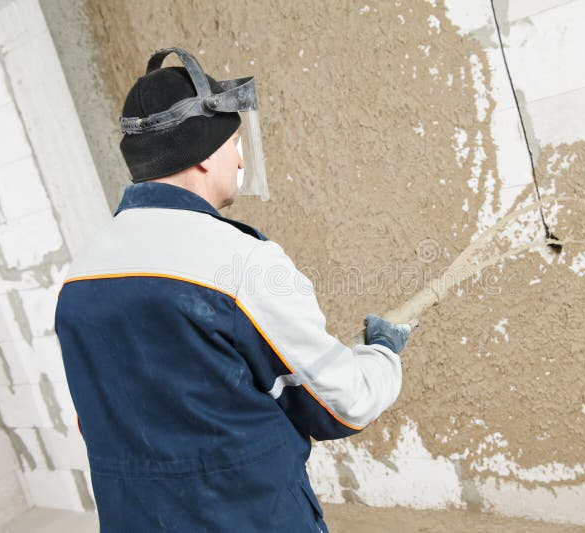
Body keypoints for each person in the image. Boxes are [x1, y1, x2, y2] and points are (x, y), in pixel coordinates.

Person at [54, 48, 413, 532]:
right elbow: (342, 404)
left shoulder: (82, 273)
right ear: (204, 155)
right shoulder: (240, 263)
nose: (239, 159)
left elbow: (96, 422)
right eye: (234, 143)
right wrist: (383, 353)